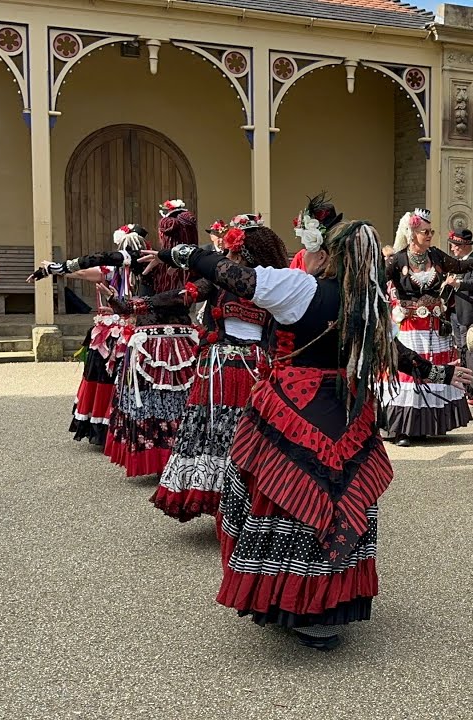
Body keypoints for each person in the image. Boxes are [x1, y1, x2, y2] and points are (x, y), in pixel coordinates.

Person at [138, 194, 473, 651]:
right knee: (337, 500)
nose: (305, 252)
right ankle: (328, 602)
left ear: (325, 252)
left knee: (278, 498)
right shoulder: (366, 301)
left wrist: (175, 251)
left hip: (292, 408)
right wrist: (443, 371)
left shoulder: (299, 288)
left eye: (310, 246)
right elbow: (391, 353)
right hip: (346, 414)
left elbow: (225, 272)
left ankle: (289, 600)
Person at [31, 199, 201, 477]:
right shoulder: (197, 263)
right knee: (183, 399)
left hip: (149, 341)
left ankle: (158, 459)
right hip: (184, 340)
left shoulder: (145, 258)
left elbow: (102, 258)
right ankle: (183, 456)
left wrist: (57, 268)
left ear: (164, 233)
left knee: (149, 399)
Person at [150, 214, 287, 522]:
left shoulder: (272, 284)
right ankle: (219, 500)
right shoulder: (218, 280)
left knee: (248, 434)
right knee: (215, 432)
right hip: (220, 369)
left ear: (248, 253)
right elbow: (184, 295)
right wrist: (141, 305)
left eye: (235, 251)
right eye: (229, 251)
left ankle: (255, 505)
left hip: (256, 369)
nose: (229, 256)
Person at [379, 208, 473, 446]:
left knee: (436, 366)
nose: (429, 235)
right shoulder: (398, 259)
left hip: (435, 325)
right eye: (425, 232)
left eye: (431, 231)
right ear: (412, 234)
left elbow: (458, 265)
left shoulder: (436, 256)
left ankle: (429, 425)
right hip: (411, 325)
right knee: (409, 368)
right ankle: (404, 428)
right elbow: (379, 281)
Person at [51, 224, 148, 446]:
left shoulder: (111, 269)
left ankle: (105, 426)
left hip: (115, 330)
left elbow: (85, 272)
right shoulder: (150, 267)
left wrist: (57, 269)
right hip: (139, 329)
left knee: (104, 376)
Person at [445, 229, 473, 404]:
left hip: (470, 311)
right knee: (461, 350)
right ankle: (465, 389)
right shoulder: (455, 262)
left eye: (455, 245)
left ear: (464, 245)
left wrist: (457, 283)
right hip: (454, 311)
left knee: (472, 352)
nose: (452, 248)